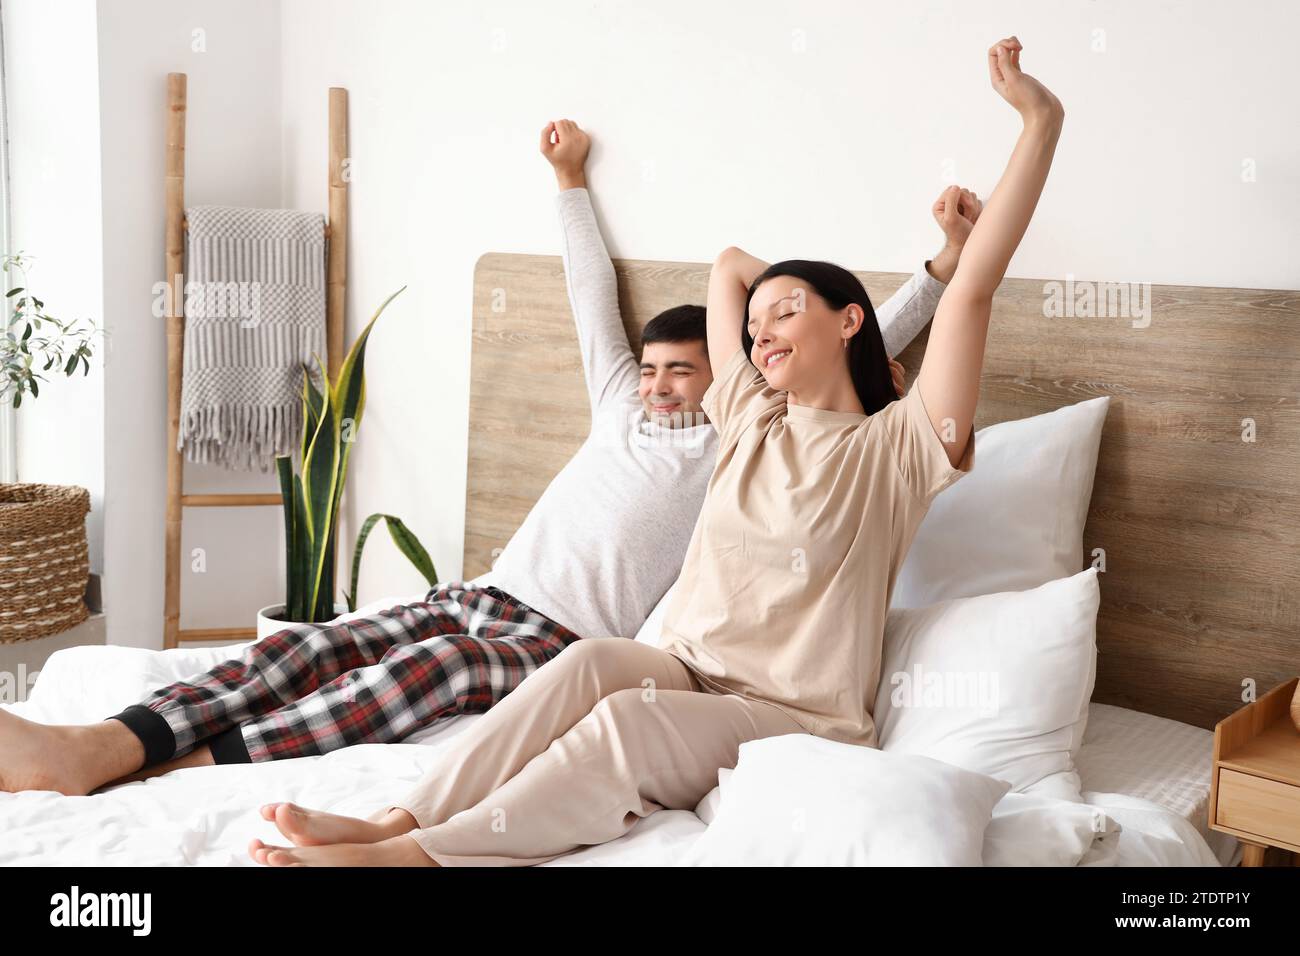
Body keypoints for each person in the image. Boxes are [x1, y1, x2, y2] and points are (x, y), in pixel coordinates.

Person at [244, 35, 1060, 867]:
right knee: (591, 662)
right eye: (757, 322)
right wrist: (776, 288)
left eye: (786, 311)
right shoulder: (748, 415)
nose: (759, 330)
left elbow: (975, 290)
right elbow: (726, 267)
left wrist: (1037, 122)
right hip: (685, 665)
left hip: (792, 712)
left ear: (851, 320)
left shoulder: (897, 450)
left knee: (627, 722)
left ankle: (427, 857)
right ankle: (397, 818)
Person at [0, 120, 963, 798]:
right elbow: (592, 294)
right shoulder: (613, 405)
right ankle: (111, 741)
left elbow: (857, 345)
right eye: (656, 370)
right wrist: (569, 181)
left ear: (732, 378)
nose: (662, 387)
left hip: (556, 638)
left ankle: (188, 770)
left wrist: (936, 274)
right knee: (316, 643)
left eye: (686, 373)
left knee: (435, 674)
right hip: (484, 587)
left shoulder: (746, 443)